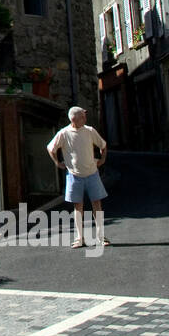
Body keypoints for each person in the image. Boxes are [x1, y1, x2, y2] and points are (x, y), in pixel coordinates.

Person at [46, 106, 110, 248]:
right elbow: (51, 148)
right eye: (82, 117)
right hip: (74, 176)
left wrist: (103, 159)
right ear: (74, 119)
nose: (85, 119)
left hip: (92, 173)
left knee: (97, 205)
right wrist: (57, 163)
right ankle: (80, 238)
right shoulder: (64, 133)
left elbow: (103, 145)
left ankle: (101, 237)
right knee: (78, 207)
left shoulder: (89, 131)